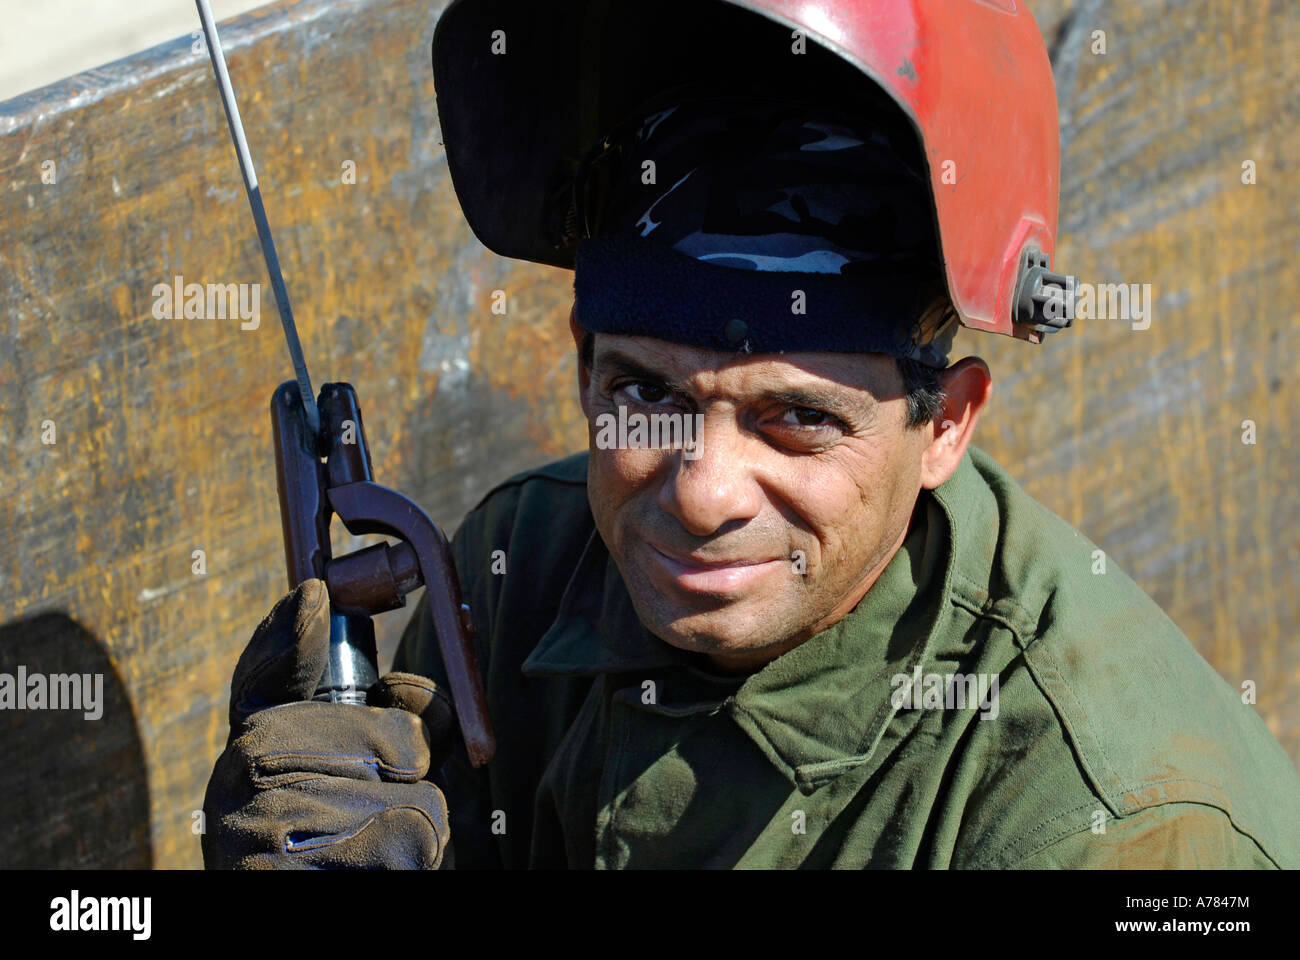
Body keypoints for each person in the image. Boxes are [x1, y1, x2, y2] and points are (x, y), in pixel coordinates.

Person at [201, 0, 1300, 869]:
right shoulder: (520, 574)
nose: (700, 491)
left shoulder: (1107, 823)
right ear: (584, 368)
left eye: (799, 420)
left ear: (944, 427)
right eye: (645, 396)